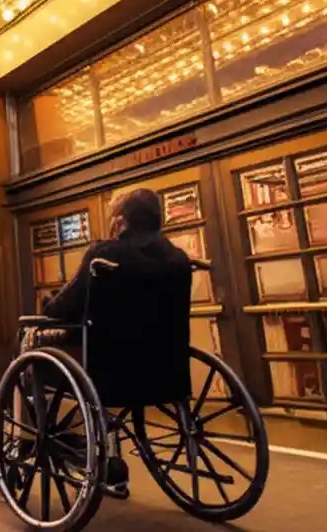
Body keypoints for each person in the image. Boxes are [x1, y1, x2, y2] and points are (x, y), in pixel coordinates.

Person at [42, 188, 193, 499]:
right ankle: (109, 457)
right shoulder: (179, 260)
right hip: (166, 371)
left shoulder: (106, 254)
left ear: (121, 222)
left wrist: (46, 304)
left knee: (35, 358)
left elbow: (64, 307)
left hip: (108, 373)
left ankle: (51, 437)